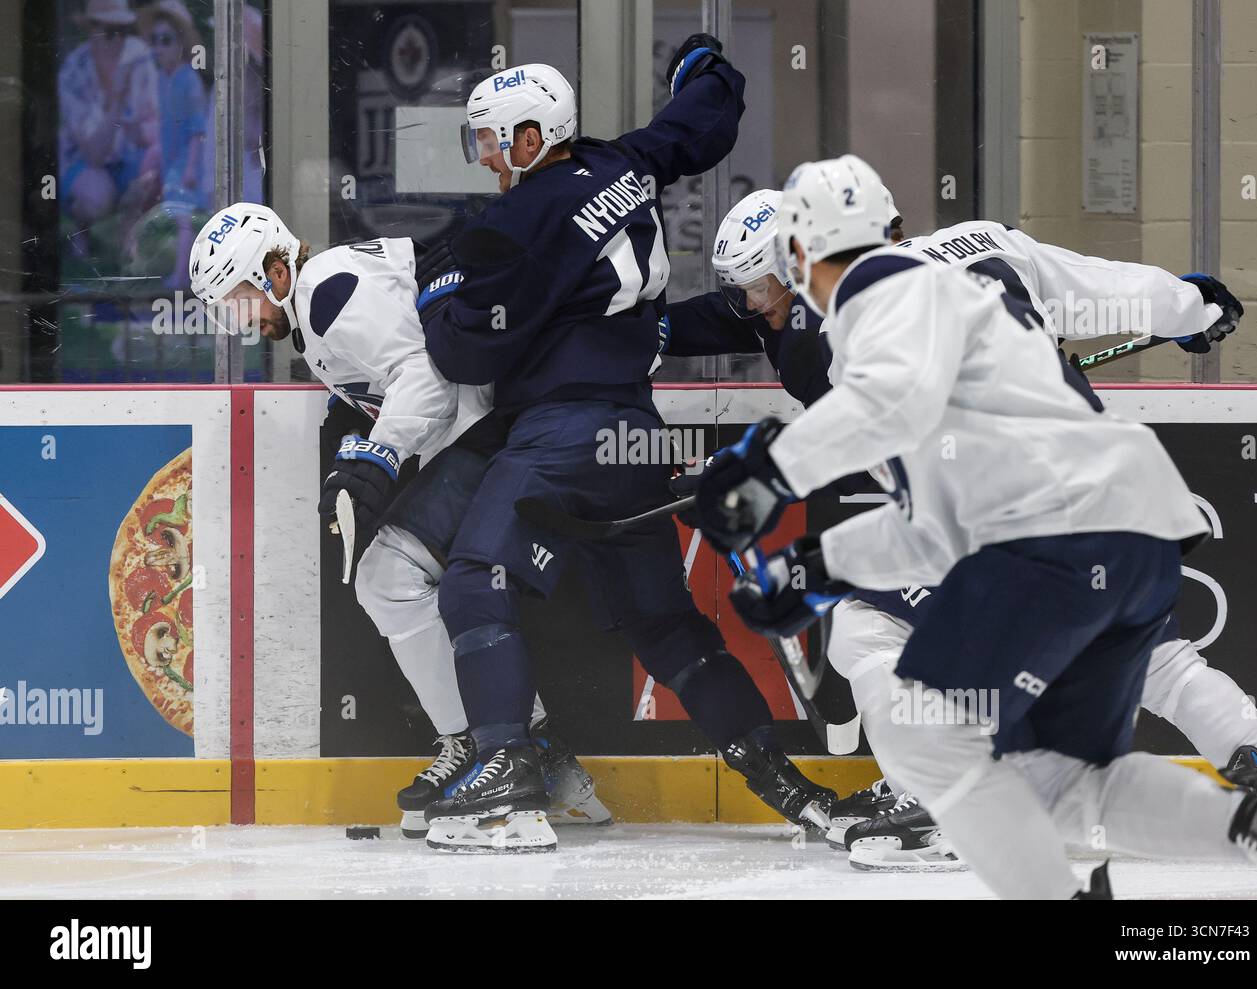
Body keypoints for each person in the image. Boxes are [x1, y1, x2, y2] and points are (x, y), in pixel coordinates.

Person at [691, 154, 1257, 899]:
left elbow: (931, 507)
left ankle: (933, 799)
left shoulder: (844, 338)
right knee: (1138, 683)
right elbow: (1101, 288)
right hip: (1134, 512)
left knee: (868, 636)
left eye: (770, 284)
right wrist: (1192, 307)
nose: (762, 307)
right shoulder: (980, 241)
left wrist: (793, 522)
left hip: (1036, 535)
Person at [418, 43, 836, 853]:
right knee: (666, 625)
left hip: (563, 436)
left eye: (496, 141)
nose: (490, 160)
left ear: (536, 138)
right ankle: (786, 782)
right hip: (634, 439)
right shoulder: (629, 161)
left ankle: (507, 772)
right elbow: (708, 116)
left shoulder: (520, 219)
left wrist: (439, 296)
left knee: (473, 584)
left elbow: (467, 354)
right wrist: (703, 63)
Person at [187, 203, 609, 840]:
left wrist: (379, 458)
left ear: (275, 269)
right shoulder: (318, 298)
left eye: (239, 299)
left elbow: (428, 378)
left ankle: (491, 752)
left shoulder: (326, 291)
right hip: (486, 433)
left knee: (388, 579)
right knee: (419, 586)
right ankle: (536, 758)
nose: (239, 320)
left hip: (493, 433)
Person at [59, 0, 160, 249]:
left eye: (123, 30)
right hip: (85, 164)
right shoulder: (72, 71)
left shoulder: (141, 57)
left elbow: (157, 124)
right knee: (96, 195)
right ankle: (80, 226)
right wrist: (117, 100)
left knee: (155, 172)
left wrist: (142, 135)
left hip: (130, 158)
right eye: (109, 32)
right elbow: (93, 153)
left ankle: (131, 237)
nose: (118, 40)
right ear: (90, 29)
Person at [140, 1, 208, 289]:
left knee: (183, 219)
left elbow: (196, 131)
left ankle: (183, 273)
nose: (160, 48)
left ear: (181, 42)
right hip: (171, 161)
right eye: (155, 41)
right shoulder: (162, 79)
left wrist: (190, 168)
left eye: (166, 40)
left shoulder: (188, 81)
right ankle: (182, 270)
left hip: (186, 162)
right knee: (180, 218)